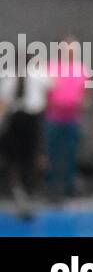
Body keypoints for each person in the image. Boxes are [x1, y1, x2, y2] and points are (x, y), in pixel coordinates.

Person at [0, 55, 47, 218]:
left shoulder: (15, 74)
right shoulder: (35, 73)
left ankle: (23, 189)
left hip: (23, 119)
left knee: (23, 157)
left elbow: (3, 102)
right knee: (23, 156)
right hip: (24, 119)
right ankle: (22, 189)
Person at [43, 35, 90, 202]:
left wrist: (83, 104)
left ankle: (69, 186)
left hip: (73, 119)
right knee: (52, 154)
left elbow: (85, 94)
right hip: (54, 118)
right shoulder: (51, 68)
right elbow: (45, 92)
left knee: (70, 154)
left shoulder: (81, 69)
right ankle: (52, 186)